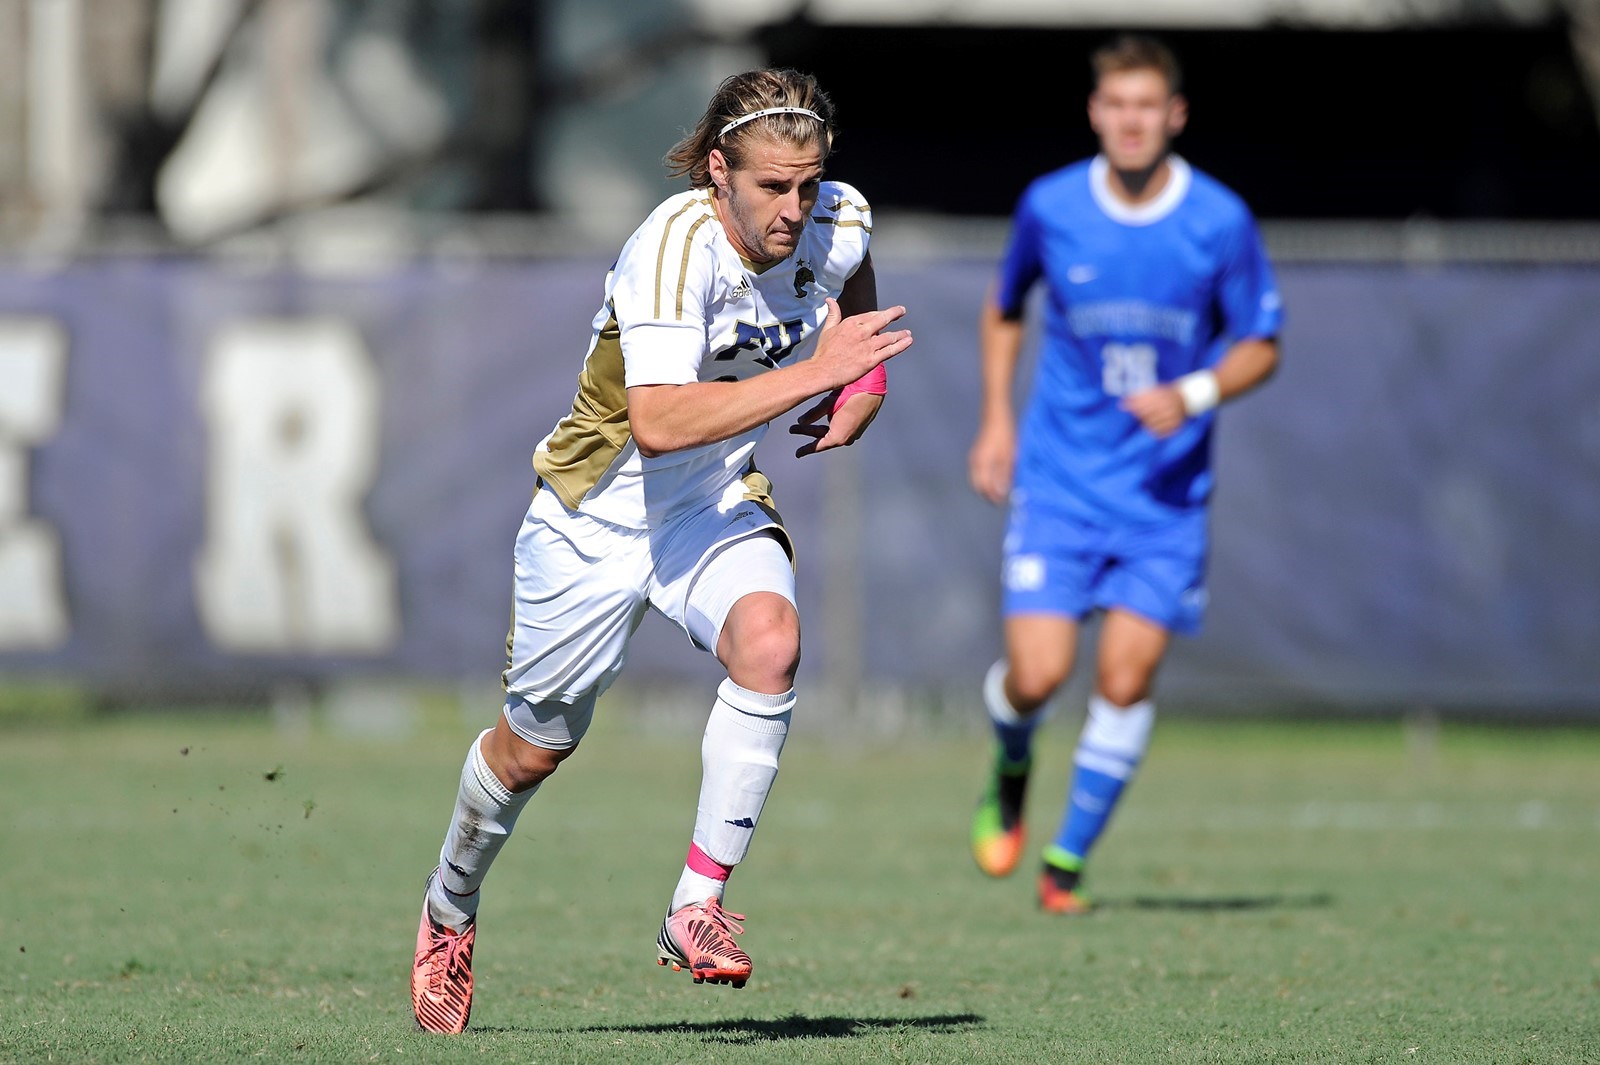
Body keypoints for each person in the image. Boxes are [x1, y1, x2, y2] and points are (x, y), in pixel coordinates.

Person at [410, 68, 913, 1033]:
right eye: (772, 187)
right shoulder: (672, 245)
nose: (793, 206)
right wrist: (819, 368)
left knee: (771, 640)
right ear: (719, 171)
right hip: (594, 516)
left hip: (712, 502)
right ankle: (448, 906)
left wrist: (861, 391)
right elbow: (660, 421)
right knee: (530, 751)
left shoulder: (837, 215)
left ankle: (697, 904)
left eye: (807, 183)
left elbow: (852, 278)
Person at [966, 34, 1282, 914]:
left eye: (1149, 106)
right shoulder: (1051, 205)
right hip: (1061, 484)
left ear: (1174, 115)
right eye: (1117, 105)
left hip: (1165, 500)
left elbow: (1262, 343)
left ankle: (1065, 861)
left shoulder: (1218, 219)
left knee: (1125, 680)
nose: (1132, 121)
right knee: (1036, 675)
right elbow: (1004, 310)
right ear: (1096, 113)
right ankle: (1013, 759)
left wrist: (1199, 388)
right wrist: (996, 418)